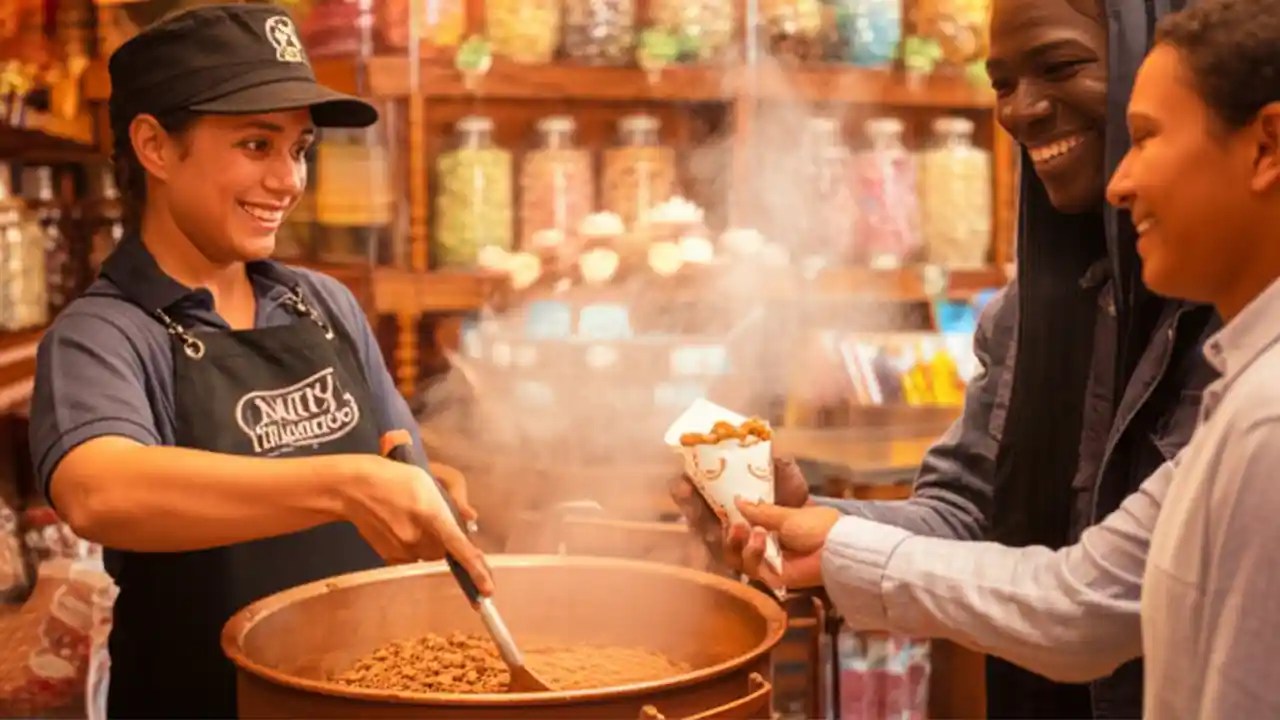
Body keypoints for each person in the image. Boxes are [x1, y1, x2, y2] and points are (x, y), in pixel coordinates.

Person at [729, 4, 1280, 717]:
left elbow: (1092, 607)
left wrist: (836, 548)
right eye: (1001, 83)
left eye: (1145, 136)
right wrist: (807, 526)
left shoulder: (1259, 412)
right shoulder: (1048, 306)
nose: (1021, 112)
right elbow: (1021, 550)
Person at [25, 5, 493, 717]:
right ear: (154, 145)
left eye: (299, 148)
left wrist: (426, 487)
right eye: (255, 145)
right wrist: (346, 485)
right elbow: (100, 489)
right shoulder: (105, 333)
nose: (289, 180)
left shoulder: (323, 304)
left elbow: (394, 459)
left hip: (364, 695)